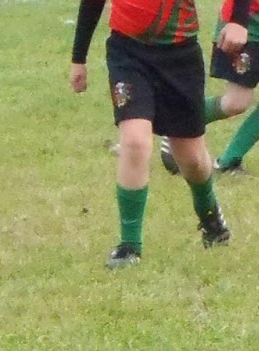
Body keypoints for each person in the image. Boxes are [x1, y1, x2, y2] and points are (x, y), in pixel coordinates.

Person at [71, 0, 235, 268]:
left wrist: (238, 21)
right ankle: (129, 247)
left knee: (191, 159)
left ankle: (210, 215)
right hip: (127, 51)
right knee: (135, 141)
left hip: (180, 56)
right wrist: (79, 58)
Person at [159, 0, 259, 177]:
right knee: (236, 102)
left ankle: (228, 161)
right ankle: (177, 125)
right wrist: (235, 22)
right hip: (242, 28)